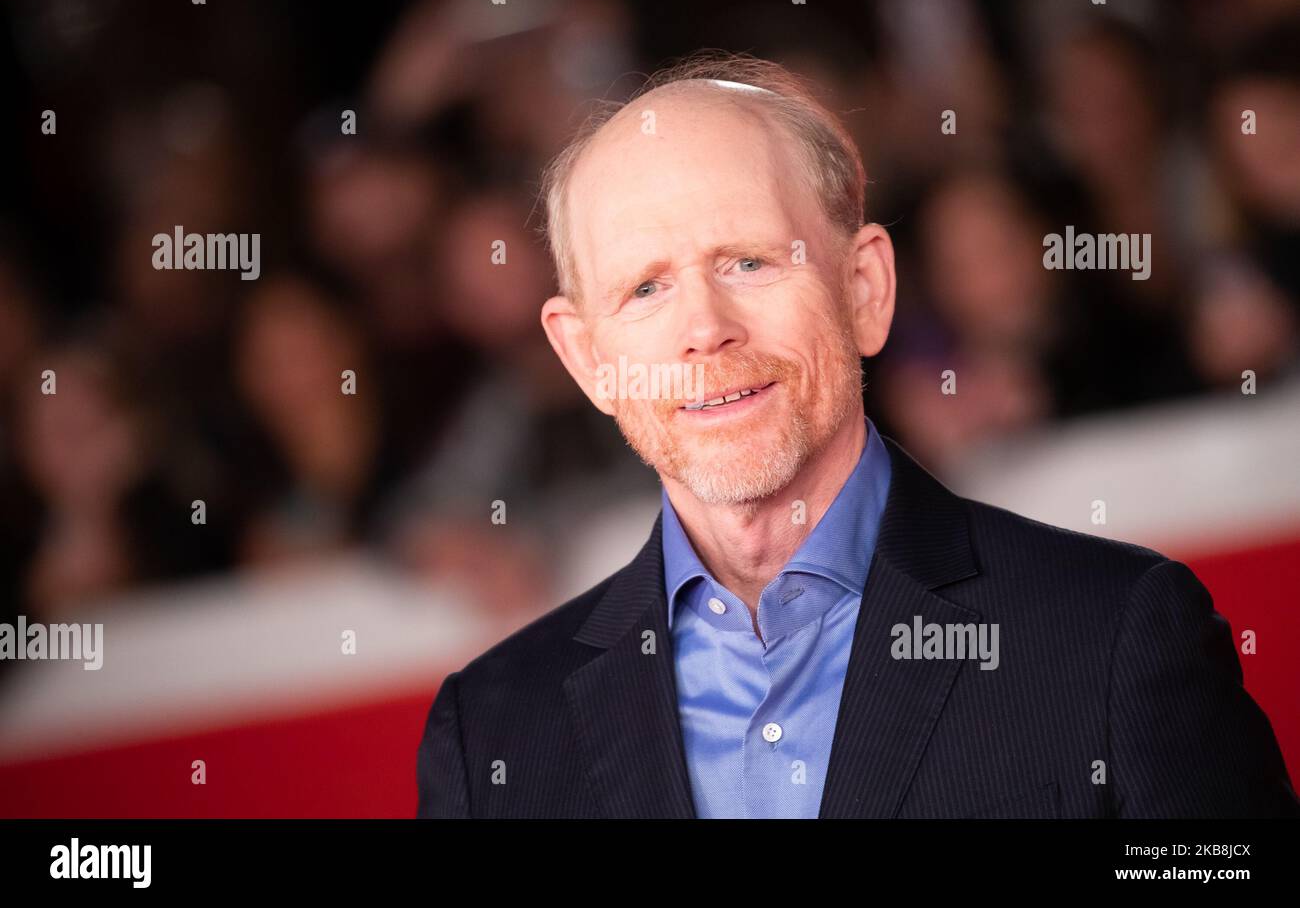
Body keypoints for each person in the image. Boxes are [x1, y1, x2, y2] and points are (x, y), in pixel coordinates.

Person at [416, 52, 1298, 818]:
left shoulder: (1114, 638)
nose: (704, 329)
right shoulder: (488, 736)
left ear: (866, 289)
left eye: (748, 262)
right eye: (644, 288)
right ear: (585, 358)